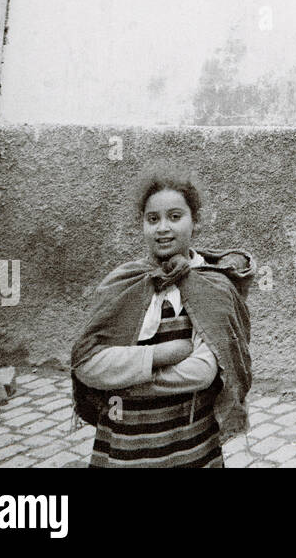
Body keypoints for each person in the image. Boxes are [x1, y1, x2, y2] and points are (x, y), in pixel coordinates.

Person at [71, 171, 253, 467]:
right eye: (153, 219)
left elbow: (203, 371)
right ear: (142, 224)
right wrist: (164, 353)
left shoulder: (213, 287)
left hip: (190, 444)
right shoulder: (123, 284)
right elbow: (87, 365)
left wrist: (126, 380)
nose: (163, 228)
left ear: (195, 221)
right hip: (125, 446)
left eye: (175, 216)